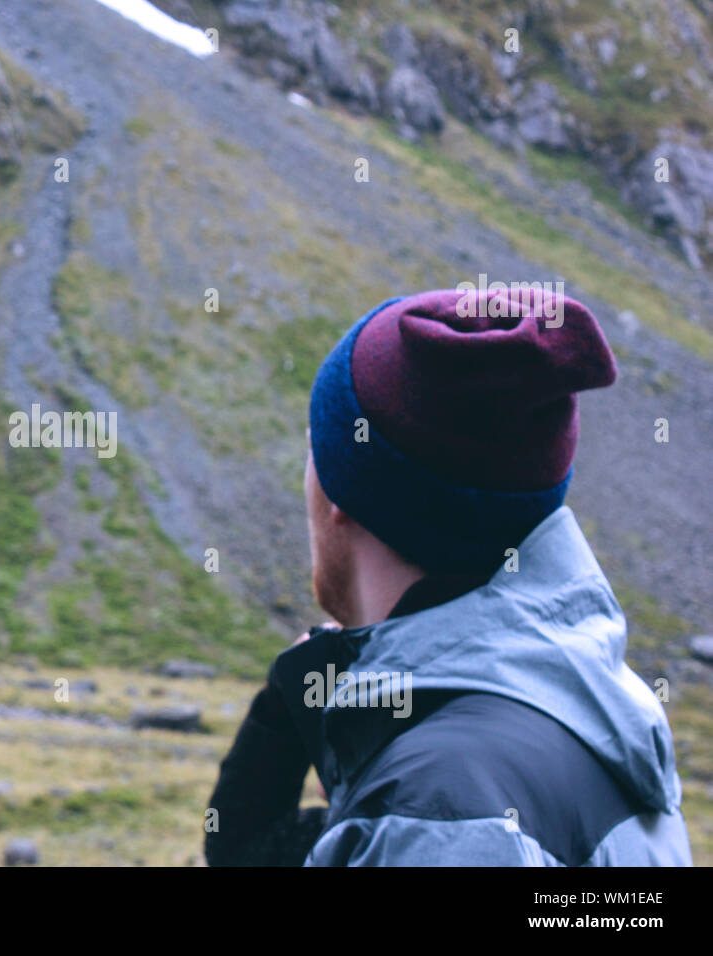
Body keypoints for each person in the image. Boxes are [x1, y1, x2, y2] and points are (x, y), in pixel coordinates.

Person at [205, 288, 693, 866]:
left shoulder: (436, 816)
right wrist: (315, 720)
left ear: (344, 490)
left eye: (317, 449)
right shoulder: (582, 708)